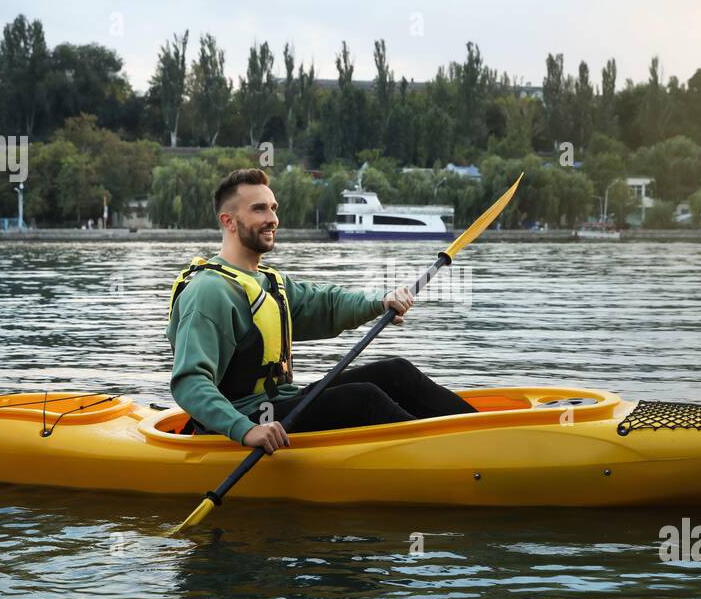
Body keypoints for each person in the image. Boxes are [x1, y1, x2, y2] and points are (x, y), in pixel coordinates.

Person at [166, 168, 476, 454]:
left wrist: (381, 302)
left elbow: (327, 304)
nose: (273, 218)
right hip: (241, 421)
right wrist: (245, 430)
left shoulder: (269, 281)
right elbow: (190, 383)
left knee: (396, 373)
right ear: (229, 221)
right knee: (362, 398)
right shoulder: (209, 292)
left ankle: (479, 435)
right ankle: (451, 458)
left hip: (280, 405)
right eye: (259, 209)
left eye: (273, 208)